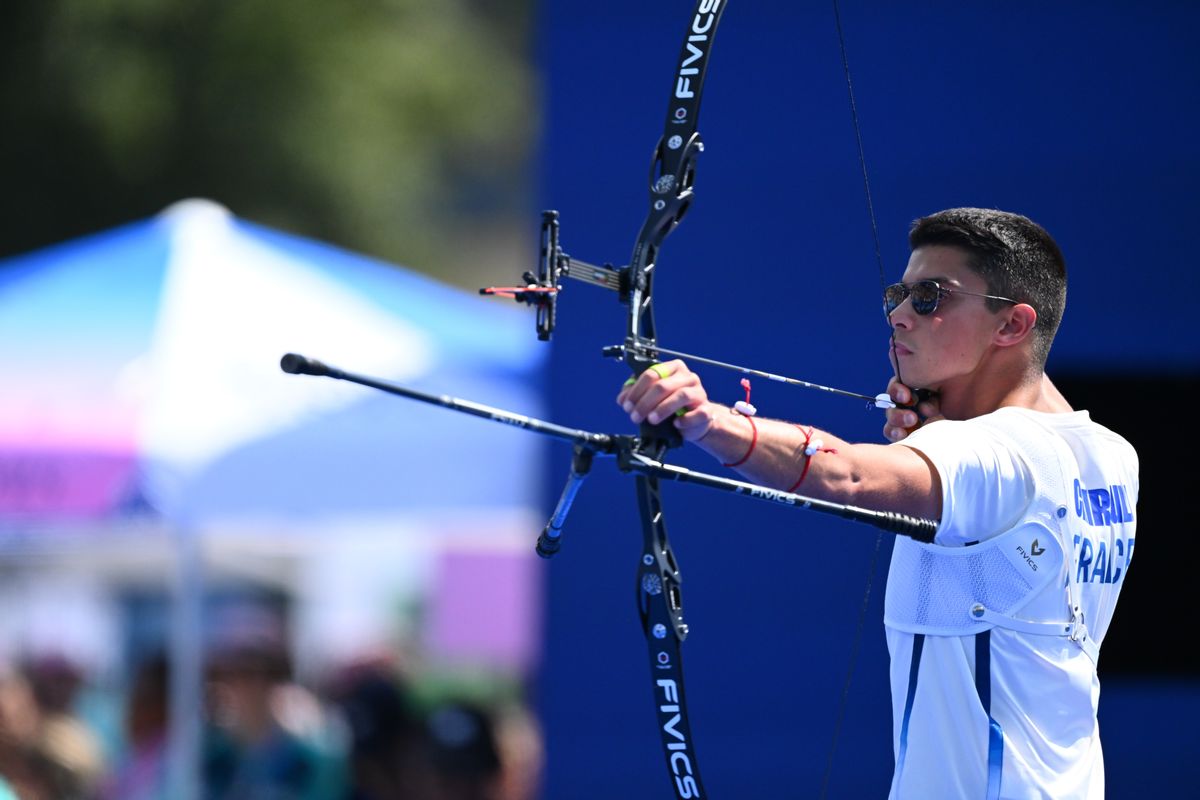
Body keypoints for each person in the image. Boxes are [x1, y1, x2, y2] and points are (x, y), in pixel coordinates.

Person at [616, 207, 1138, 799]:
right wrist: (946, 428)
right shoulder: (1112, 455)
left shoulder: (993, 456)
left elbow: (849, 478)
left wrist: (708, 423)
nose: (898, 315)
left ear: (1012, 325)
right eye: (900, 293)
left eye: (930, 297)